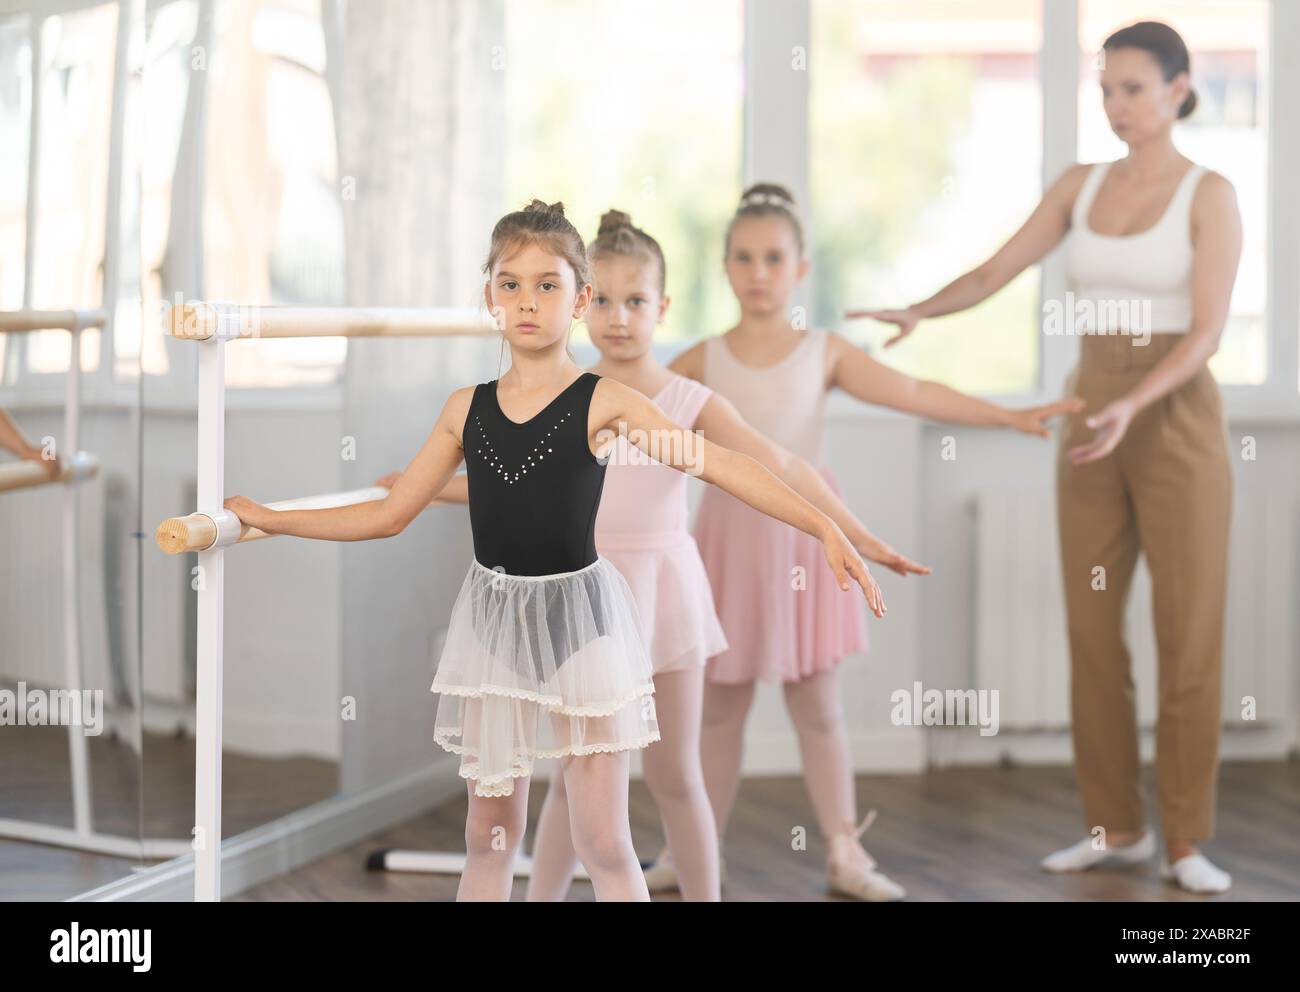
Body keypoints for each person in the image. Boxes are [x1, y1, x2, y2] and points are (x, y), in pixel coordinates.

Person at [224, 198, 885, 901]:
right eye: (511, 284)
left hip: (584, 622)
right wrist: (271, 519)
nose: (528, 301)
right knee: (488, 835)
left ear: (580, 299)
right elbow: (390, 515)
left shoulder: (606, 403)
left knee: (602, 838)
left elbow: (721, 465)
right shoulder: (463, 407)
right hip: (493, 625)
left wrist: (823, 526)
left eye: (548, 285)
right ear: (489, 298)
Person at [850, 21, 1241, 894]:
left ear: (1179, 88)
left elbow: (1209, 330)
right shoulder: (1081, 184)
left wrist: (1135, 403)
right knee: (1091, 629)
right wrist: (921, 309)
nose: (1114, 105)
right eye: (1105, 89)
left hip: (1175, 410)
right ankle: (1116, 827)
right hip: (1090, 401)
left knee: (1188, 637)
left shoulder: (1210, 194)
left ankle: (1186, 840)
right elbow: (995, 272)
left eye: (1132, 88)